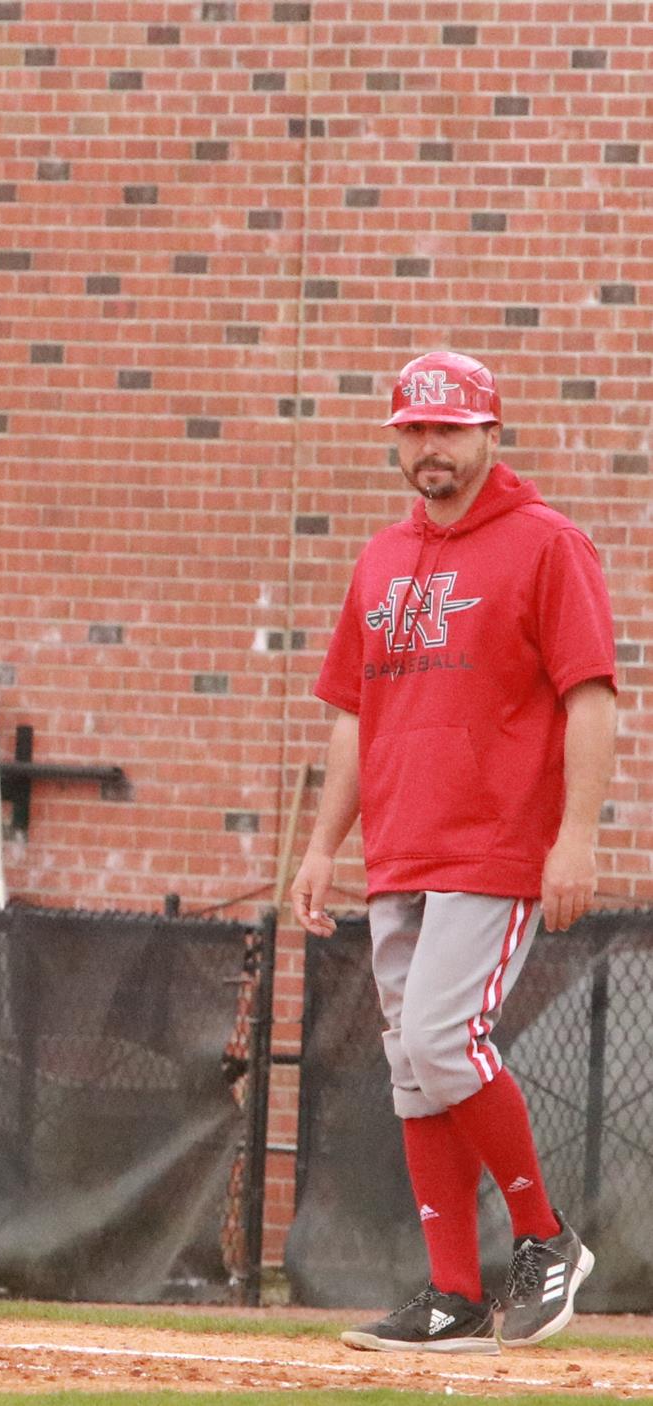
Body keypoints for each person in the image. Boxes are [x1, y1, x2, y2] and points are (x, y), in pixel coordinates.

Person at [291, 350, 616, 1354]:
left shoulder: (547, 544)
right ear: (396, 437)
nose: (429, 445)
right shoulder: (379, 559)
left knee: (439, 1041)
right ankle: (449, 1293)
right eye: (413, 429)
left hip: (495, 844)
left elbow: (590, 696)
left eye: (449, 428)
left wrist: (576, 836)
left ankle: (545, 1237)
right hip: (399, 847)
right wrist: (319, 846)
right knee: (411, 1068)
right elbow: (353, 716)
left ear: (487, 433)